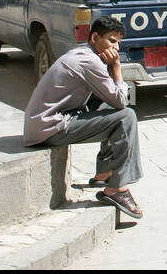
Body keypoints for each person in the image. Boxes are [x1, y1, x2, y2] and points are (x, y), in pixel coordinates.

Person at [23, 16, 144, 219]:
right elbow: (123, 101)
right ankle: (117, 189)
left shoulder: (82, 54)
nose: (116, 47)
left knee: (111, 109)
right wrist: (116, 68)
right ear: (95, 37)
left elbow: (112, 100)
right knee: (126, 117)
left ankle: (104, 174)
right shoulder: (89, 61)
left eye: (119, 43)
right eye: (112, 41)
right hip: (49, 127)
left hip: (48, 122)